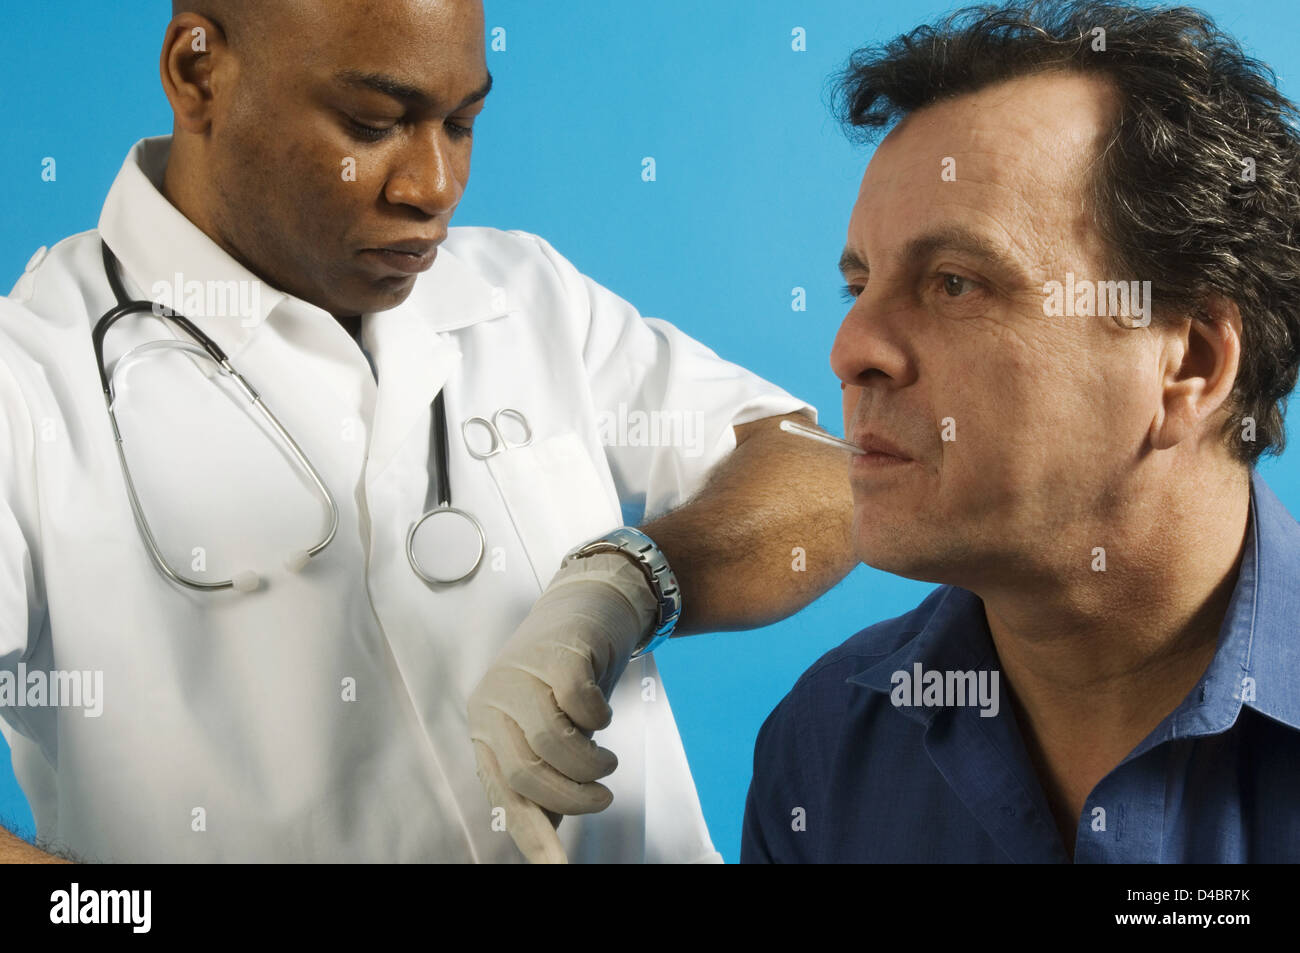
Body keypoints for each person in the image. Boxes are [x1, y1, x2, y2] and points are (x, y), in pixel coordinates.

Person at [0, 0, 856, 864]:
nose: (432, 185)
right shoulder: (27, 382)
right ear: (197, 70)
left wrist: (628, 585)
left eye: (462, 122)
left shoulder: (525, 294)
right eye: (373, 123)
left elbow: (821, 475)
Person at [742, 0, 1300, 863]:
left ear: (1188, 361)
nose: (851, 350)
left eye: (955, 282)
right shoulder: (824, 751)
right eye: (860, 286)